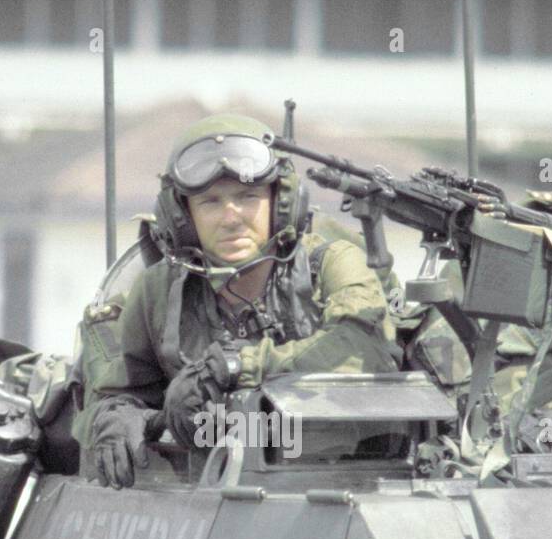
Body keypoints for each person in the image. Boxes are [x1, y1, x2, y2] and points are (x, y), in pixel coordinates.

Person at [83, 113, 400, 488]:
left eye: (247, 197)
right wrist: (117, 419)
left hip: (341, 480)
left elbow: (364, 350)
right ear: (182, 217)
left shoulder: (331, 263)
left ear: (280, 203)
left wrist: (235, 366)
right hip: (214, 494)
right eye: (210, 202)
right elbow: (118, 392)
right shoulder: (159, 292)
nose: (231, 217)